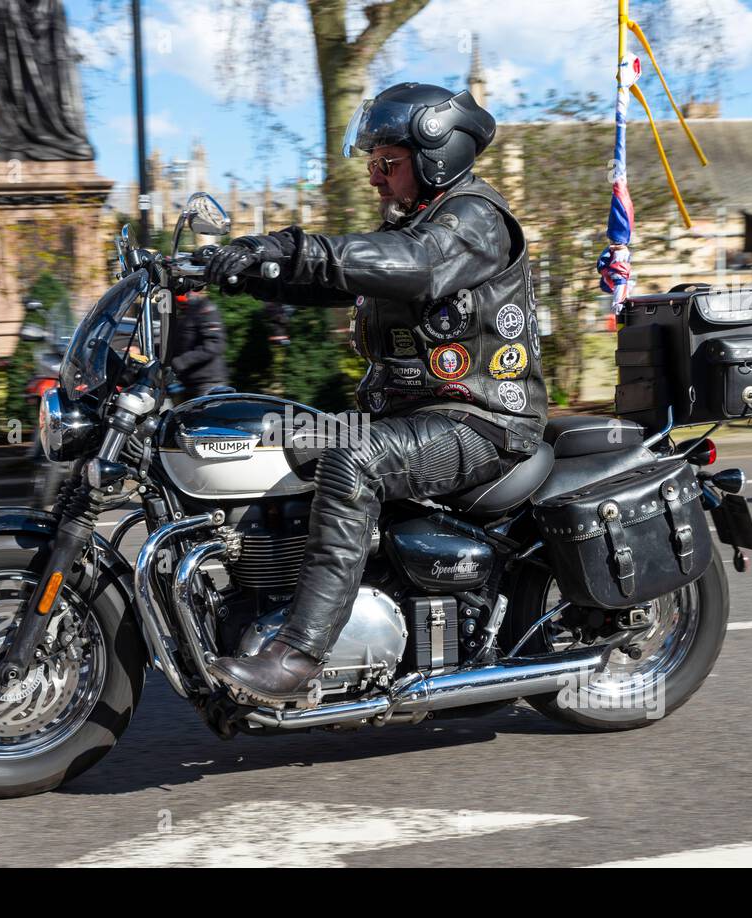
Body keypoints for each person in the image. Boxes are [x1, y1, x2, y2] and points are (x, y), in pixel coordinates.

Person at [201, 82, 548, 707]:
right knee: (276, 437)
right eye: (372, 163)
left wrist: (296, 247)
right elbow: (339, 276)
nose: (374, 178)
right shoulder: (415, 225)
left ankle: (298, 655)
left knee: (352, 458)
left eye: (387, 163)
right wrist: (243, 265)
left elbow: (411, 263)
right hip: (414, 416)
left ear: (436, 156)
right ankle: (257, 611)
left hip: (482, 420)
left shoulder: (473, 221)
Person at [166, 290, 227, 401]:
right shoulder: (185, 312)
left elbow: (214, 345)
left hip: (207, 384)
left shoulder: (205, 309)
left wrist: (180, 362)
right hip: (186, 383)